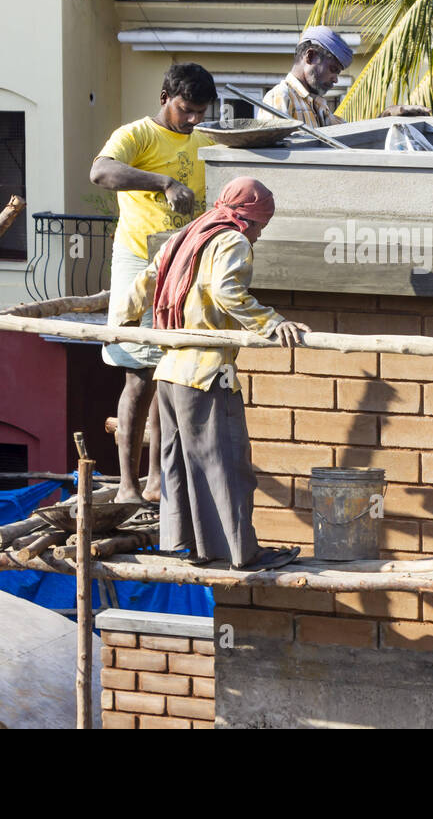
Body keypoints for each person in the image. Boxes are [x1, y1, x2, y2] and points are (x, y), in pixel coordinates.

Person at [119, 177, 308, 570]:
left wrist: (123, 321)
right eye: (261, 227)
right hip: (206, 375)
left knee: (181, 464)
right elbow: (227, 291)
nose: (258, 236)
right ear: (248, 219)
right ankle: (243, 555)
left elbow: (145, 280)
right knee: (226, 463)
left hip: (169, 374)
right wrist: (272, 323)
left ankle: (187, 547)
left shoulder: (188, 235)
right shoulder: (232, 241)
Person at [90, 63, 216, 504]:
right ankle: (127, 485)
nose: (194, 119)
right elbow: (100, 172)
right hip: (139, 263)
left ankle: (157, 482)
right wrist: (162, 181)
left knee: (167, 376)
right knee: (138, 377)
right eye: (186, 109)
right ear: (165, 97)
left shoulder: (205, 140)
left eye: (201, 111)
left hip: (182, 267)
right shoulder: (137, 135)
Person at [257, 25, 429, 127]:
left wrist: (386, 116)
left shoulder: (318, 106)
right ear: (310, 57)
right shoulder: (280, 98)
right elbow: (276, 159)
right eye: (333, 69)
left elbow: (349, 135)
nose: (335, 79)